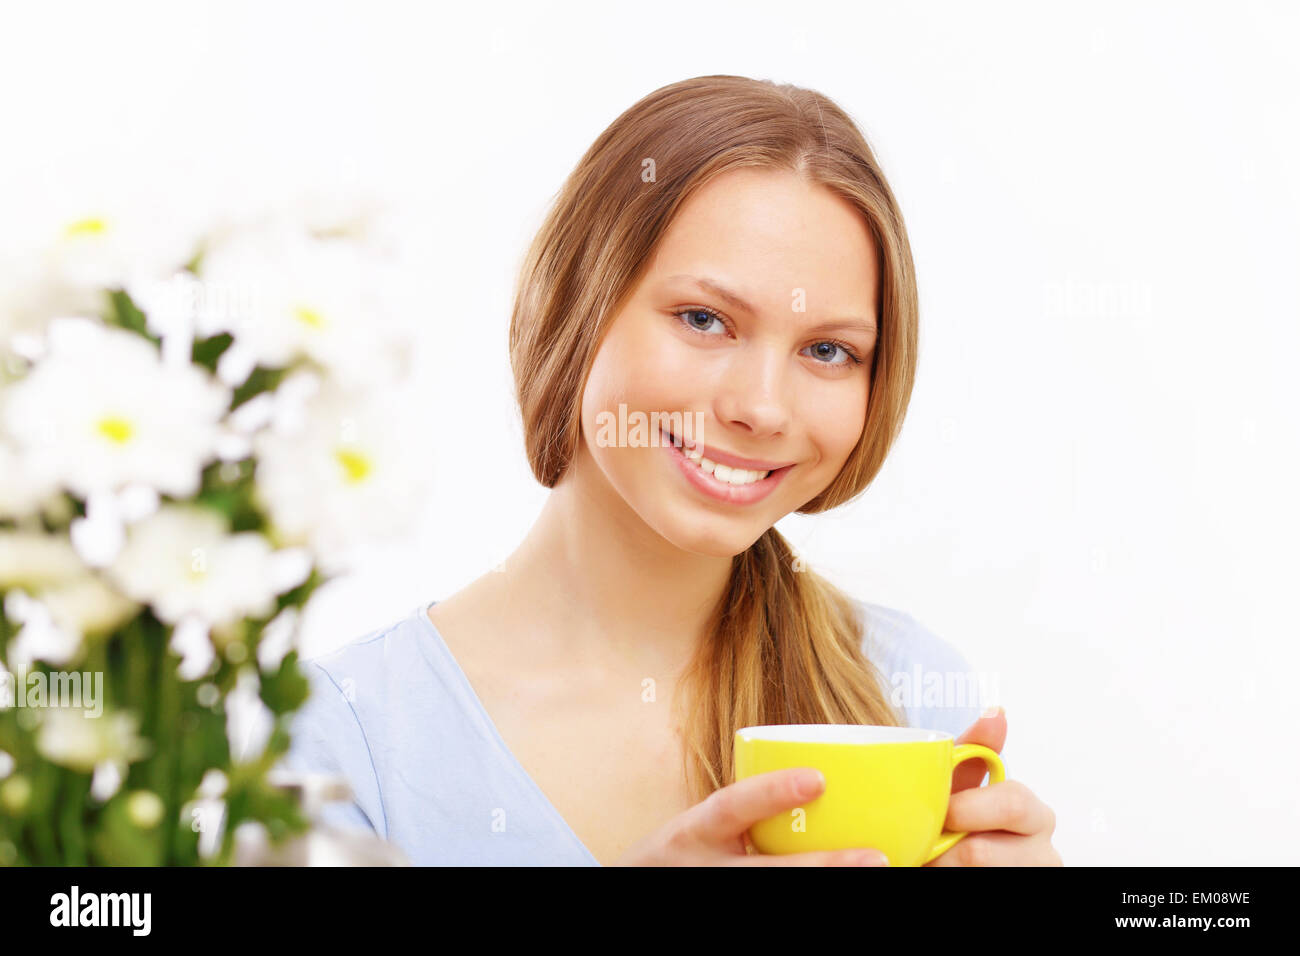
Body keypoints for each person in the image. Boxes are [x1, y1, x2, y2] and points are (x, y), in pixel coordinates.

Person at [280, 75, 1061, 867]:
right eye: (705, 320)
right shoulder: (343, 739)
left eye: (828, 350)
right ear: (576, 307)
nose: (762, 408)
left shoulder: (909, 692)